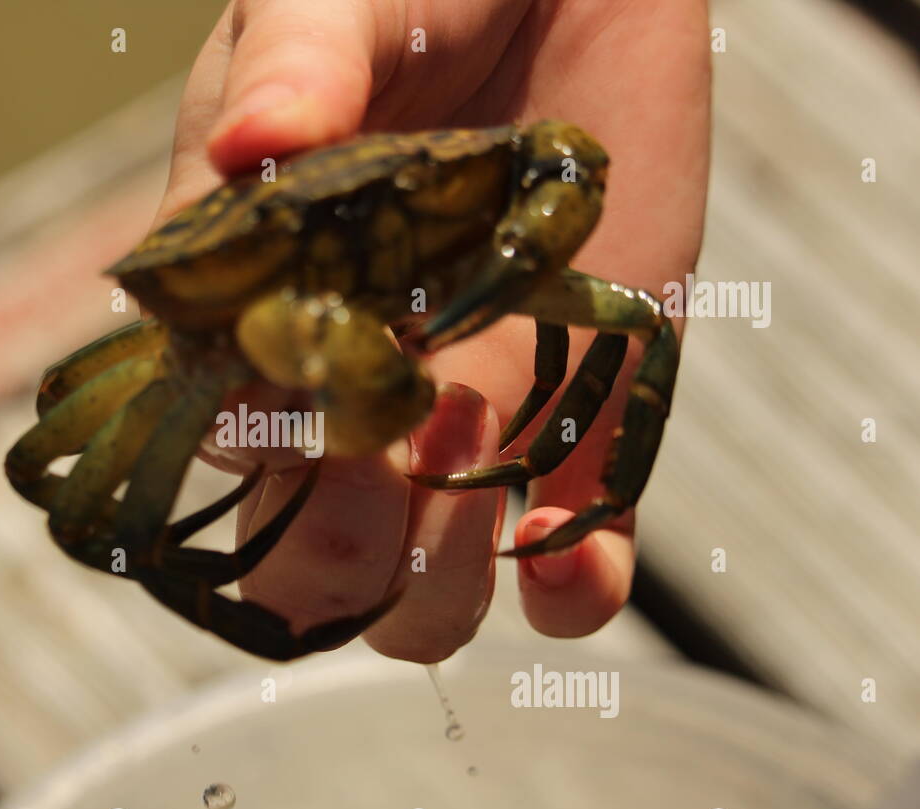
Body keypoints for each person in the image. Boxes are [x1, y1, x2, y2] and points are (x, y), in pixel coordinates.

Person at [157, 0, 710, 662]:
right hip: (293, 307)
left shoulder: (512, 198)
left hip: (483, 261)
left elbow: (577, 190)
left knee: (634, 321)